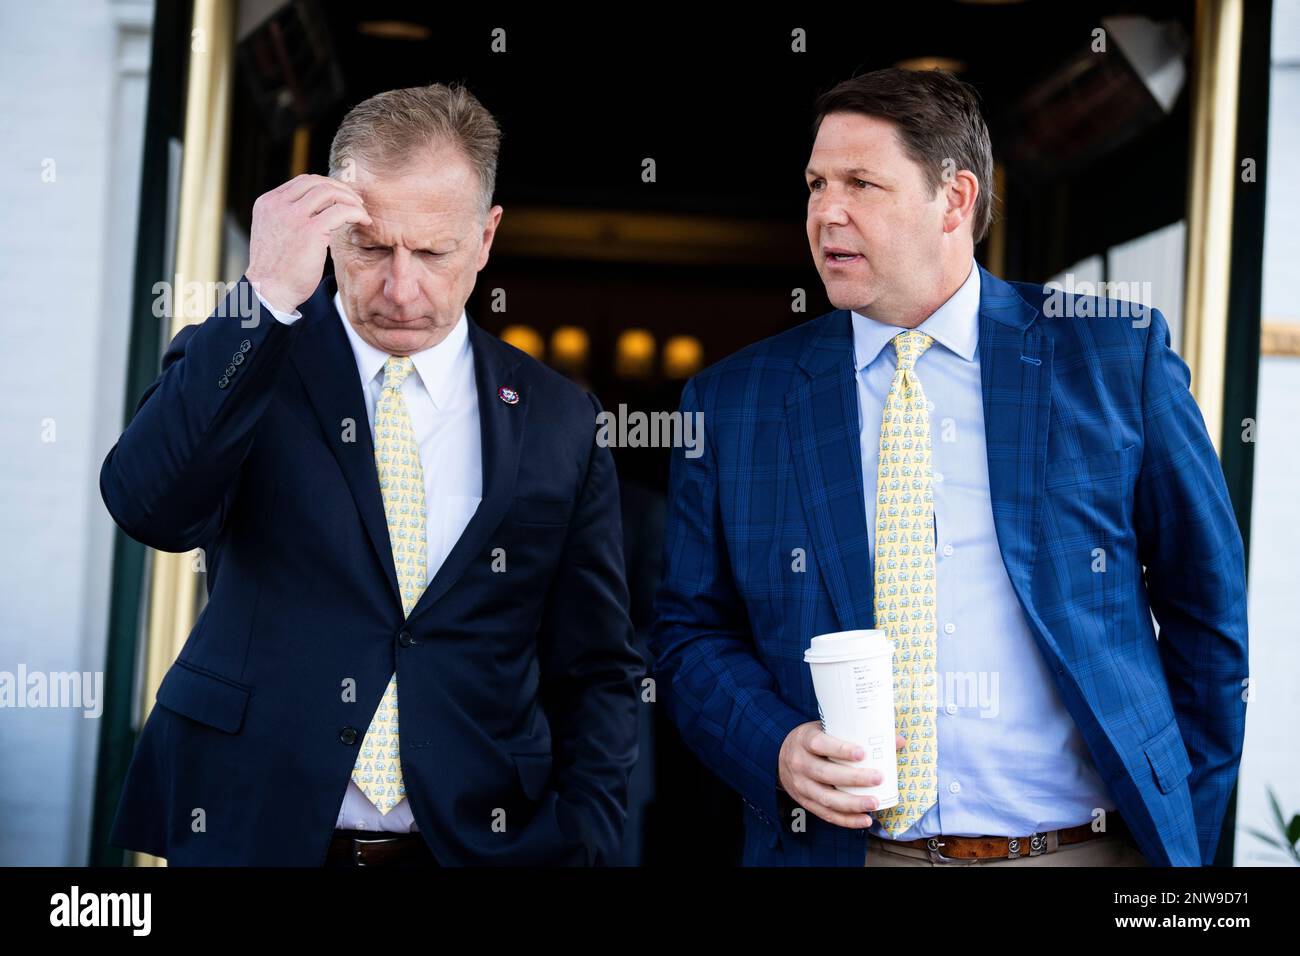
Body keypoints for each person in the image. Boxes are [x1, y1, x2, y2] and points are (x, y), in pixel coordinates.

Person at [649, 68, 1248, 867]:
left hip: (1085, 851)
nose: (827, 211)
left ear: (956, 200)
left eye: (863, 183)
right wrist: (779, 747)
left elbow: (1208, 615)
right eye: (816, 184)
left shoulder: (1111, 356)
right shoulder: (732, 402)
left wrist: (1179, 841)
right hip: (854, 855)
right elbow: (689, 634)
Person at [102, 82, 642, 866]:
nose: (400, 288)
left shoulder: (559, 420)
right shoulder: (251, 357)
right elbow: (147, 506)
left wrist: (583, 836)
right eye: (370, 247)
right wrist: (262, 300)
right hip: (250, 831)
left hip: (475, 847)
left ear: (486, 238)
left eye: (431, 252)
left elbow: (597, 667)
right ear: (328, 234)